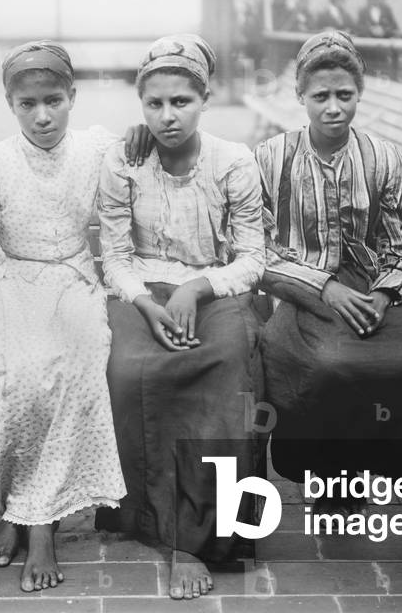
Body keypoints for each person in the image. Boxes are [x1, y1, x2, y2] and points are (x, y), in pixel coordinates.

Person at [0, 41, 149, 591]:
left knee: (72, 376)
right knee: (15, 389)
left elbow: (146, 141)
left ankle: (40, 533)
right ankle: (16, 511)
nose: (42, 115)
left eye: (54, 100)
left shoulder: (98, 149)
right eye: (27, 103)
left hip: (77, 283)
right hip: (13, 285)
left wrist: (144, 133)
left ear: (73, 97)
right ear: (10, 103)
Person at [96, 34, 266, 601]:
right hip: (140, 287)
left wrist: (197, 286)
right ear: (140, 106)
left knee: (222, 372)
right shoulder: (125, 159)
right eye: (155, 104)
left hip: (214, 287)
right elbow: (115, 256)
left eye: (181, 102)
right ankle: (151, 520)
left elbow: (252, 259)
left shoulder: (233, 161)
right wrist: (144, 301)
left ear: (205, 98)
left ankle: (206, 535)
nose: (168, 116)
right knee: (129, 372)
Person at [255, 30, 402, 511]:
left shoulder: (382, 157)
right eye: (320, 96)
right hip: (297, 287)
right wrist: (325, 289)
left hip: (372, 288)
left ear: (360, 93)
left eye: (345, 94)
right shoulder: (271, 157)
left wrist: (383, 296)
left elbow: (401, 242)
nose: (333, 108)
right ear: (300, 96)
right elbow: (256, 248)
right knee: (328, 365)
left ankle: (370, 469)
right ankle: (329, 477)